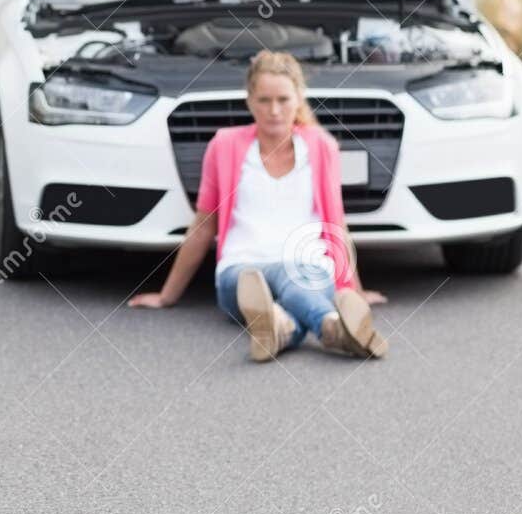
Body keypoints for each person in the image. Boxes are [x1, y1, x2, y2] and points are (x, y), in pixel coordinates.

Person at [127, 50, 389, 361]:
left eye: (283, 99)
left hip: (307, 264)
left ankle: (282, 327)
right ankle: (334, 327)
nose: (274, 110)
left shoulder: (321, 145)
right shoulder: (224, 145)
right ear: (249, 101)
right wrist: (167, 295)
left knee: (294, 280)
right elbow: (203, 225)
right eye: (264, 100)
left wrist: (353, 289)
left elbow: (336, 224)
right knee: (263, 283)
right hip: (242, 269)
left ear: (299, 99)